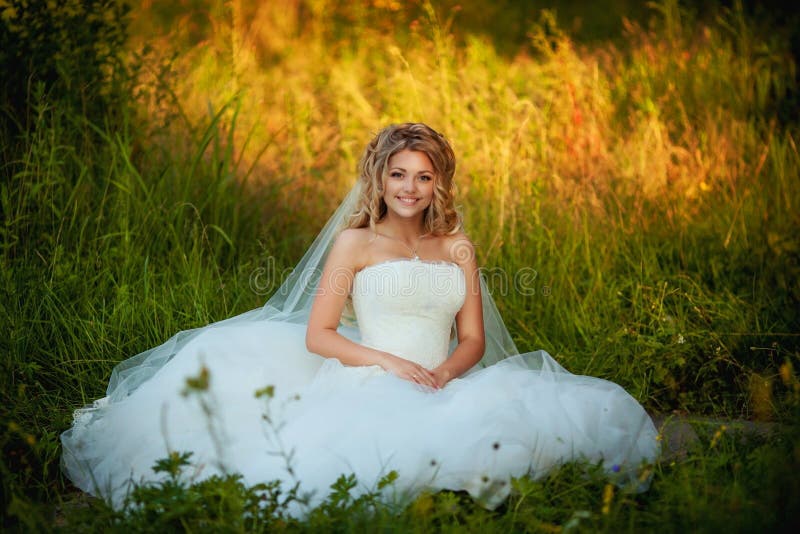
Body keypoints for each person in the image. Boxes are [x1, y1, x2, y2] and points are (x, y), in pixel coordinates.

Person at [61, 123, 659, 515]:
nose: (410, 187)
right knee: (369, 456)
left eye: (424, 176)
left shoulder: (458, 247)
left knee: (546, 422)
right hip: (370, 373)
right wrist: (389, 362)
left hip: (441, 378)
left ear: (439, 183)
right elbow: (319, 335)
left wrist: (446, 374)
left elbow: (472, 338)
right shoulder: (355, 244)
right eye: (399, 174)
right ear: (380, 178)